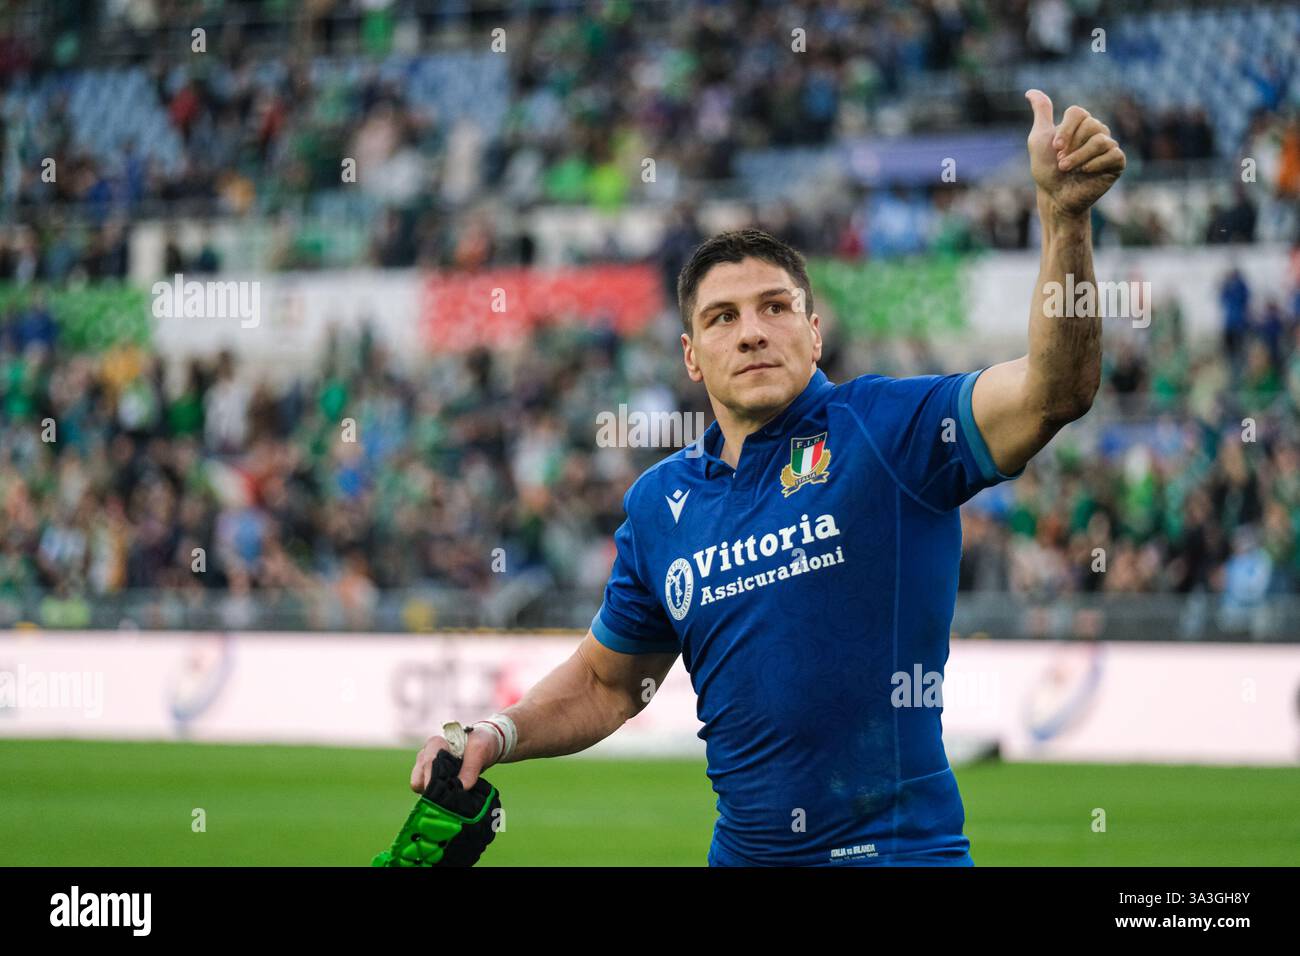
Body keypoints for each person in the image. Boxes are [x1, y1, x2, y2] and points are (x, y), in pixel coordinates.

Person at [410, 90, 1126, 866]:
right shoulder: (659, 505)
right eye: (722, 317)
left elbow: (1056, 391)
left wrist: (1064, 220)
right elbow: (609, 684)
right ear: (691, 356)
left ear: (814, 332)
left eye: (775, 307)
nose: (751, 330)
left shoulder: (890, 429)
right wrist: (500, 732)